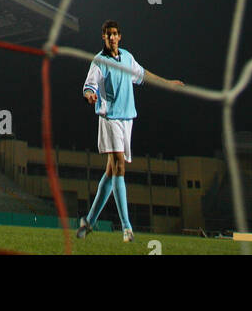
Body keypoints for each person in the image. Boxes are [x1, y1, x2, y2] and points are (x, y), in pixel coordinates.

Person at [77, 19, 183, 243]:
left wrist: (167, 83)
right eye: (108, 34)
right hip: (110, 119)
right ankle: (127, 228)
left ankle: (89, 221)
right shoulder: (99, 61)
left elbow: (143, 75)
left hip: (127, 119)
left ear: (120, 36)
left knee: (110, 172)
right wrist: (90, 96)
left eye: (115, 34)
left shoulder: (127, 57)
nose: (112, 37)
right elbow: (88, 86)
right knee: (119, 167)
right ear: (103, 37)